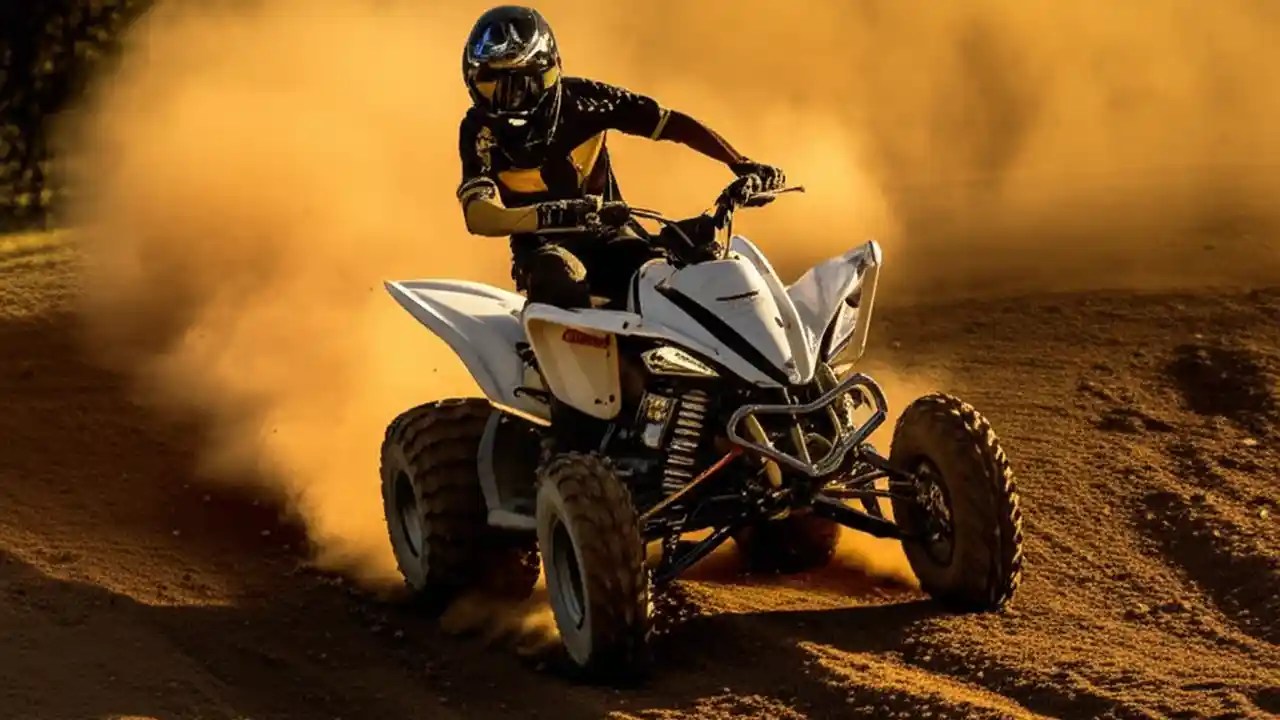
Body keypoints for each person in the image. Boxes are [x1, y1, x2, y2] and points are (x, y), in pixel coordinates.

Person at [456, 5, 787, 309]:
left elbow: (672, 123)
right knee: (557, 279)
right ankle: (544, 364)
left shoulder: (588, 101)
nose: (502, 101)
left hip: (613, 234)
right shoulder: (478, 130)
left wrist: (740, 163)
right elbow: (479, 216)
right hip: (543, 252)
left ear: (546, 73)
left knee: (680, 270)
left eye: (516, 86)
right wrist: (552, 216)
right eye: (489, 86)